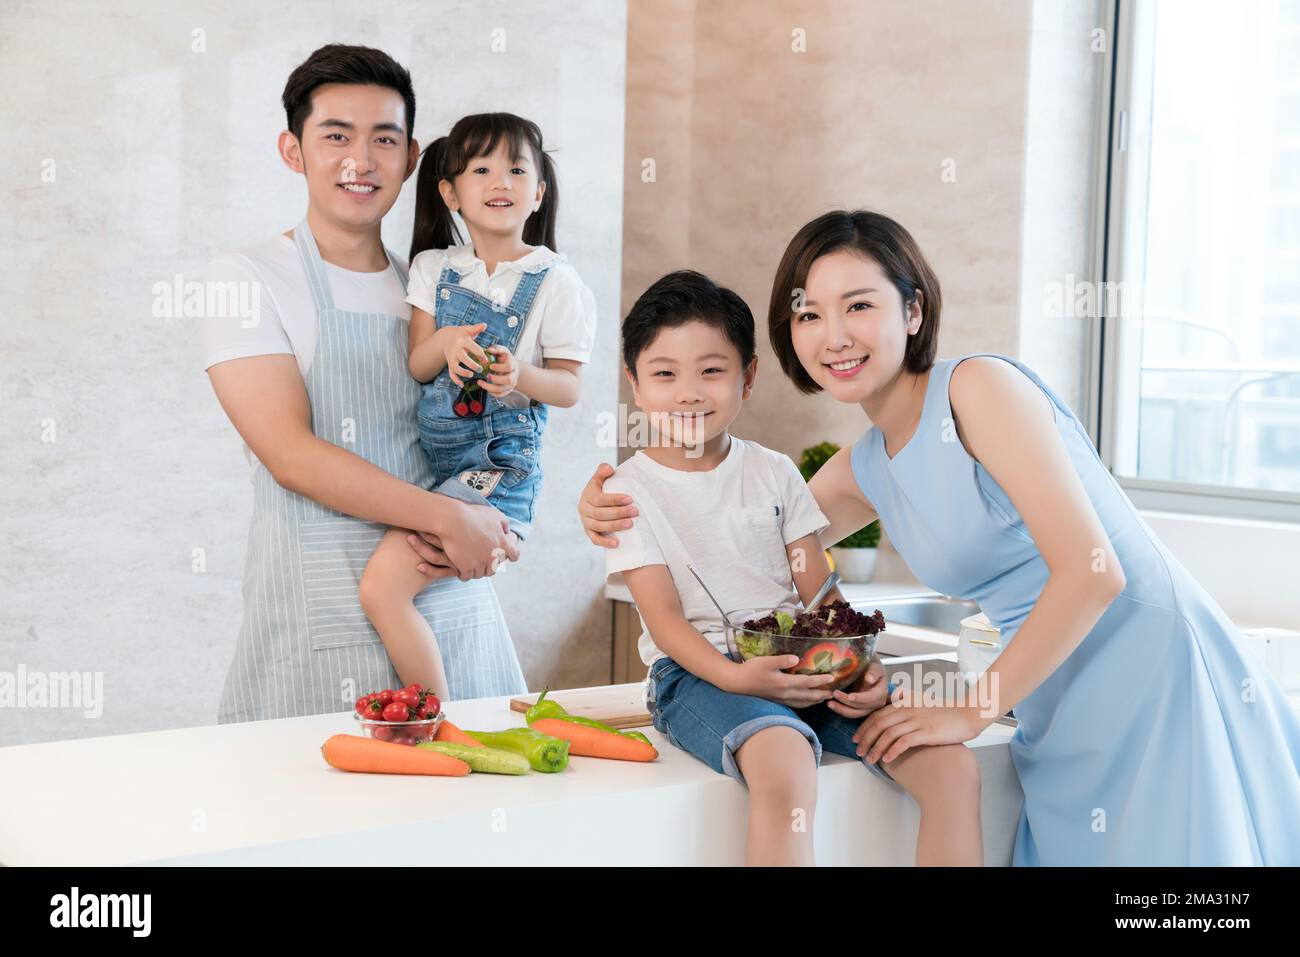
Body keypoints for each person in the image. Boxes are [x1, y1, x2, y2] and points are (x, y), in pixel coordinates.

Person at [578, 210, 1300, 865]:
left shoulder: (978, 389)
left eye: (859, 305)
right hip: (1052, 696)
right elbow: (735, 532)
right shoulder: (863, 465)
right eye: (809, 314)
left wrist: (970, 707)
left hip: (1151, 673)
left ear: (914, 310)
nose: (834, 335)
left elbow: (1094, 572)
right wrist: (605, 509)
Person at [601, 269, 983, 866]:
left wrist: (862, 664)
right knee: (785, 764)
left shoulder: (774, 471)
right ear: (634, 383)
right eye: (665, 374)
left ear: (748, 377)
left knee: (952, 766)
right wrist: (739, 680)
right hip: (700, 676)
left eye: (711, 370)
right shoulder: (627, 493)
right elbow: (667, 623)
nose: (689, 393)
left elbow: (819, 590)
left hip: (807, 665)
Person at [201, 45, 526, 723]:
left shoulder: (438, 296)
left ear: (411, 158)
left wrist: (500, 517)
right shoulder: (248, 279)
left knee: (477, 779)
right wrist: (449, 519)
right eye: (336, 136)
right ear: (293, 151)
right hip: (319, 615)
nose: (361, 159)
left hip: (449, 607)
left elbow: (494, 434)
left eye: (384, 139)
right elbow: (291, 456)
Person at [357, 113, 596, 698]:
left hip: (498, 466)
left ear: (538, 192)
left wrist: (520, 375)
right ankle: (443, 714)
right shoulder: (434, 268)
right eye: (482, 169)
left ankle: (431, 719)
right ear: (450, 193)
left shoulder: (556, 280)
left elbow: (569, 388)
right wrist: (444, 341)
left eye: (517, 170)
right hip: (436, 468)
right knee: (410, 591)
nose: (501, 182)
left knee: (383, 588)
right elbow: (419, 364)